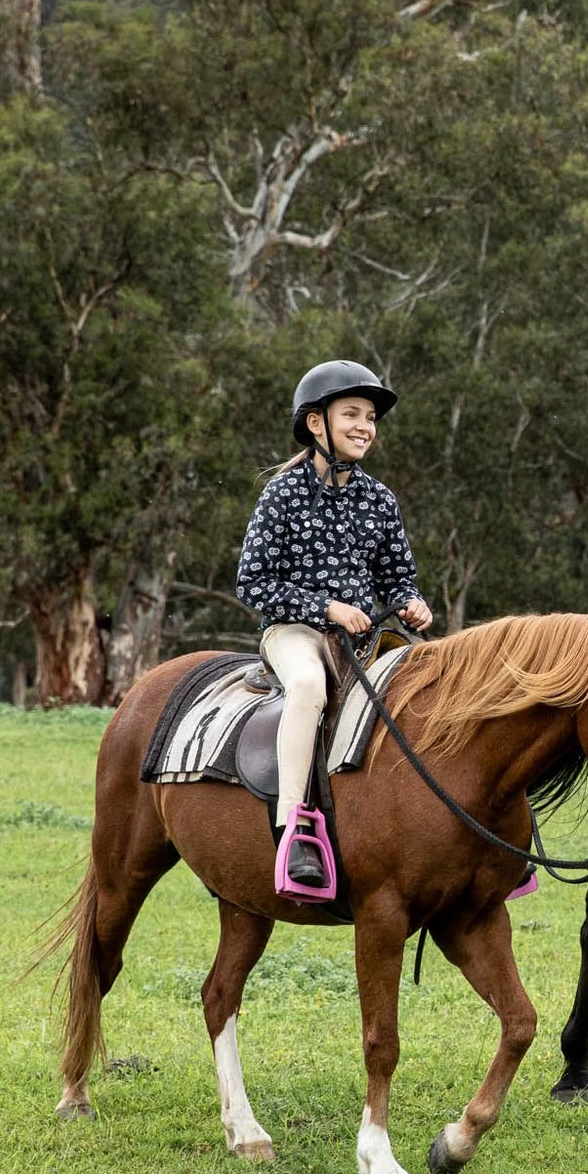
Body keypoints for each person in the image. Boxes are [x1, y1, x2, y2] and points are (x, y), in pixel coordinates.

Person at [235, 361, 434, 896]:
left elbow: (398, 579)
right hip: (295, 634)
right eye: (352, 414)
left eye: (370, 417)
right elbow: (252, 582)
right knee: (307, 688)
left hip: (368, 641)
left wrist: (412, 603)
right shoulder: (281, 495)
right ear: (316, 423)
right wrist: (327, 608)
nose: (365, 426)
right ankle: (293, 826)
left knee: (438, 687)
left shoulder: (380, 498)